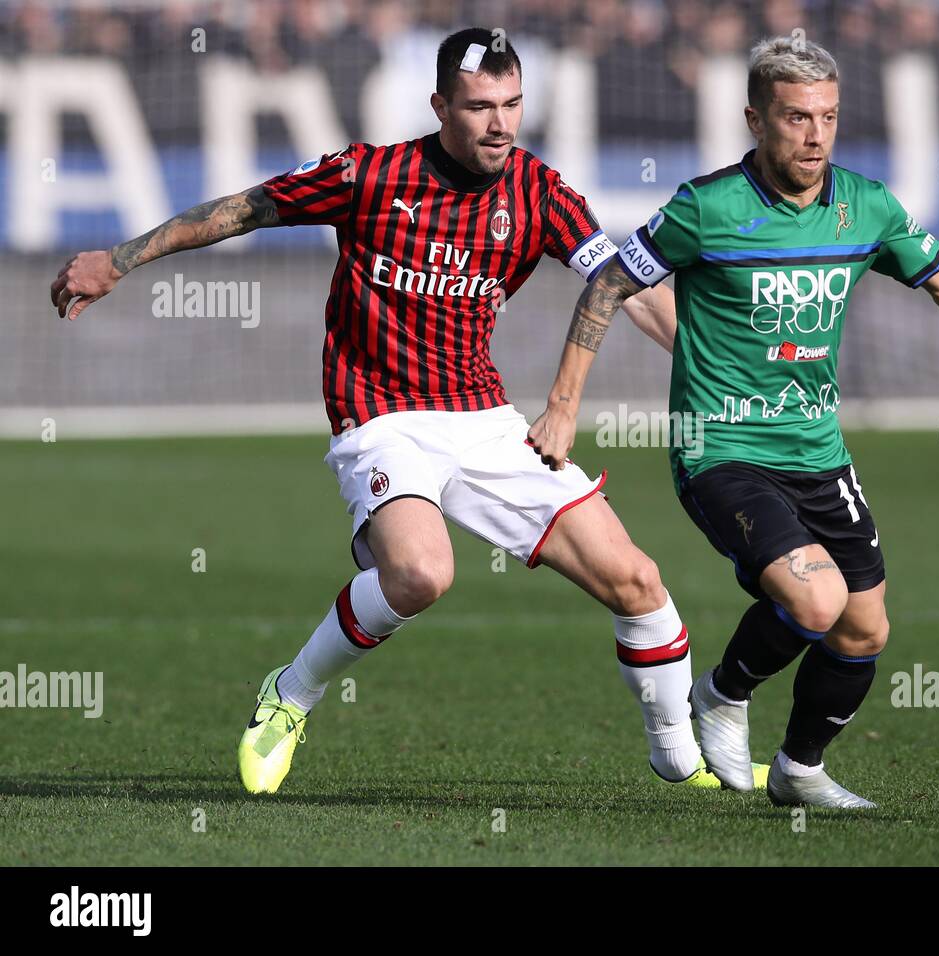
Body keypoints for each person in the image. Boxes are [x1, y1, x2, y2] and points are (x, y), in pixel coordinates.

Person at [49, 27, 766, 795]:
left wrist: (716, 373)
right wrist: (118, 260)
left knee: (638, 582)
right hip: (380, 415)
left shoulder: (540, 192)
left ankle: (680, 760)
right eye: (480, 107)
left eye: (513, 104)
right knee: (422, 573)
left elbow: (628, 290)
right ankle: (290, 694)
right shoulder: (368, 175)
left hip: (484, 418)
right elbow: (241, 210)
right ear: (439, 106)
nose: (500, 124)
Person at [527, 36, 939, 809]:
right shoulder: (707, 206)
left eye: (827, 115)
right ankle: (722, 695)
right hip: (719, 446)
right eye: (796, 117)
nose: (815, 134)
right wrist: (564, 406)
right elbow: (608, 285)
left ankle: (799, 770)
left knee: (864, 631)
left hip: (817, 451)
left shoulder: (867, 207)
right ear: (756, 119)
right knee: (816, 602)